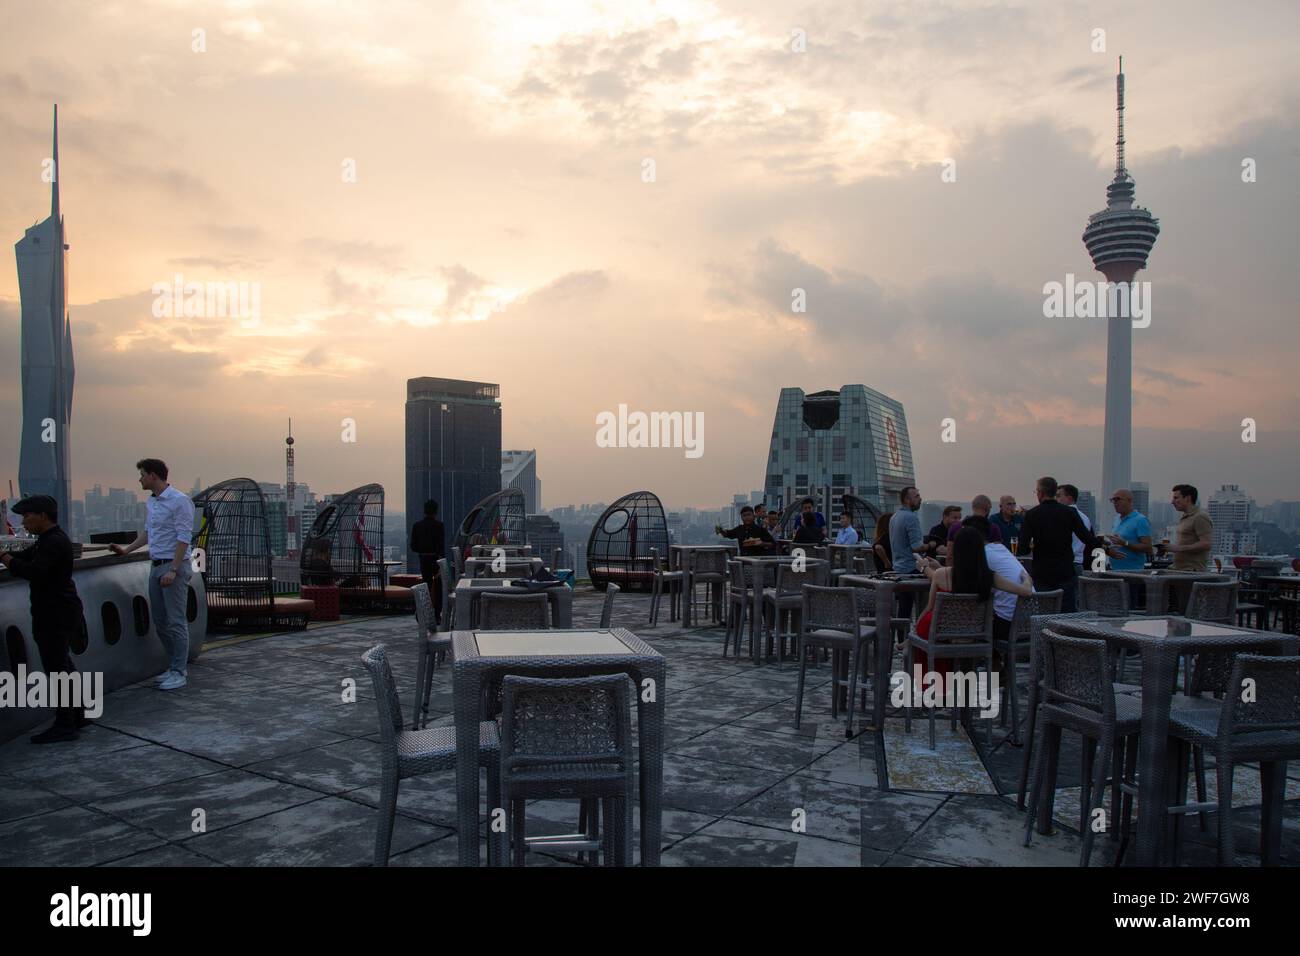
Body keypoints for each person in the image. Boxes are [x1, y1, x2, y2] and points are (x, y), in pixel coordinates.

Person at [0, 495, 88, 742]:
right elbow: (27, 557)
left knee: (57, 669)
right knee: (64, 667)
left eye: (27, 516)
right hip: (61, 610)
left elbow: (34, 571)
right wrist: (8, 554)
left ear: (42, 516)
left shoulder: (53, 542)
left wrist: (5, 559)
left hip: (55, 613)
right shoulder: (49, 540)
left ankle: (65, 725)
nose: (24, 521)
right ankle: (78, 714)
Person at [109, 459, 195, 690]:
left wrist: (174, 570)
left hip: (172, 566)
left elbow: (184, 538)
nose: (140, 479)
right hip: (156, 565)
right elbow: (148, 534)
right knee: (160, 620)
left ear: (154, 476)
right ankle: (173, 664)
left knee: (176, 621)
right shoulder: (153, 502)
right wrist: (126, 550)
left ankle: (180, 671)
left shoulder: (179, 501)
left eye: (143, 474)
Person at [912, 525, 1033, 672]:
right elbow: (1026, 592)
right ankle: (973, 683)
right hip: (974, 634)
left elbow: (929, 608)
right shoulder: (990, 577)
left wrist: (925, 567)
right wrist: (1027, 579)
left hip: (943, 632)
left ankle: (932, 686)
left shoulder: (941, 574)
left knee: (922, 629)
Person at [1018, 476, 1102, 612]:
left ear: (1040, 492)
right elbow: (1089, 540)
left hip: (1042, 573)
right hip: (1065, 572)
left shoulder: (1032, 515)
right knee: (1067, 614)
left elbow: (1022, 548)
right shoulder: (1070, 512)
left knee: (1044, 614)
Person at [889, 486, 928, 619]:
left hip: (899, 569)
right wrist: (931, 545)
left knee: (904, 609)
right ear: (907, 499)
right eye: (916, 496)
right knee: (924, 608)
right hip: (913, 569)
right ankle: (921, 637)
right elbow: (917, 547)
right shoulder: (911, 517)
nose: (920, 499)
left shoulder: (894, 517)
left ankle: (901, 637)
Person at [409, 499, 446, 625]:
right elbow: (442, 547)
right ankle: (437, 614)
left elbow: (413, 547)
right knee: (438, 586)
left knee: (426, 585)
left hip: (423, 559)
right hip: (436, 560)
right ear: (436, 511)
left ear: (424, 511)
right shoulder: (439, 526)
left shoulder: (417, 526)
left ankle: (423, 612)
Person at [1167, 484, 1213, 571]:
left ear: (1188, 498)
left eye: (1176, 498)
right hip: (1179, 570)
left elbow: (1206, 544)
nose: (1172, 502)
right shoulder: (1185, 517)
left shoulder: (1200, 517)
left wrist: (1179, 548)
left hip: (1191, 571)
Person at [1056, 483, 1092, 572]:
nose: (1055, 499)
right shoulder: (1085, 517)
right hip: (1078, 564)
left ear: (1070, 498)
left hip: (1064, 565)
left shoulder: (1062, 516)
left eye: (1058, 496)